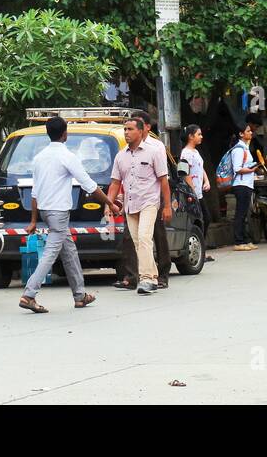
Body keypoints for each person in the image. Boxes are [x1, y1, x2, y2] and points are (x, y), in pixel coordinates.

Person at [19, 116, 120, 313]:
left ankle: (80, 295)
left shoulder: (39, 158)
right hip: (59, 212)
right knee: (50, 254)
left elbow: (34, 192)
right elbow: (89, 185)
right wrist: (111, 204)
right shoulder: (67, 156)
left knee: (69, 251)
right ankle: (29, 294)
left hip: (45, 211)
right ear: (65, 134)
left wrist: (33, 220)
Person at [107, 116, 172, 294]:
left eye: (130, 129)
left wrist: (167, 206)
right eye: (125, 129)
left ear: (141, 131)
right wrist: (108, 204)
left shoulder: (154, 151)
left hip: (150, 202)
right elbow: (114, 183)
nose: (126, 133)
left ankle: (147, 279)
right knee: (137, 242)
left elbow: (163, 181)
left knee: (144, 238)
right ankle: (152, 274)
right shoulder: (120, 156)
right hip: (130, 204)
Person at [179, 124, 213, 248]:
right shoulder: (185, 153)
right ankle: (199, 248)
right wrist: (192, 189)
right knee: (202, 219)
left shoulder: (196, 152)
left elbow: (200, 167)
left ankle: (200, 248)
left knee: (205, 219)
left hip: (198, 192)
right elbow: (183, 172)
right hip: (192, 194)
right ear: (190, 136)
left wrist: (207, 181)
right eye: (198, 134)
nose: (201, 137)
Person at [228, 123, 259, 252]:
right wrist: (252, 169)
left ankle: (245, 239)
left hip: (247, 184)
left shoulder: (245, 148)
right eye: (248, 131)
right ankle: (238, 241)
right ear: (241, 134)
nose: (251, 133)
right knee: (240, 214)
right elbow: (237, 169)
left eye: (251, 131)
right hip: (241, 185)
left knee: (245, 213)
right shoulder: (238, 150)